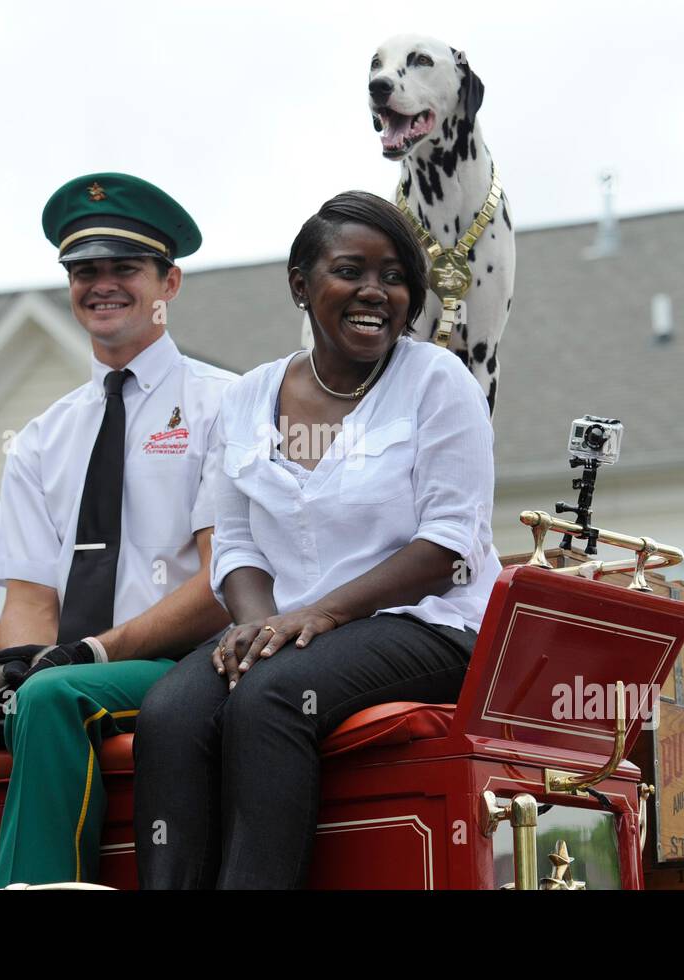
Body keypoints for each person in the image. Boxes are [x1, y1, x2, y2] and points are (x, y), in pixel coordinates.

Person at [0, 173, 235, 888]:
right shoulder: (38, 438)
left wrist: (86, 654)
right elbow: (28, 598)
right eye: (85, 271)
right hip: (62, 668)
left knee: (53, 697)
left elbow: (222, 586)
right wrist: (20, 663)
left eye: (126, 268)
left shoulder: (227, 406)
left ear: (169, 283)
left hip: (178, 661)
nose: (103, 285)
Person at [132, 190, 499, 888]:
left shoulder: (437, 381)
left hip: (423, 622)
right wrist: (257, 625)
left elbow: (448, 543)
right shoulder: (248, 396)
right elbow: (235, 539)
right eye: (351, 270)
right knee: (171, 713)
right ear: (301, 284)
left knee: (270, 698)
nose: (375, 291)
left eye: (395, 277)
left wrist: (318, 614)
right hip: (286, 628)